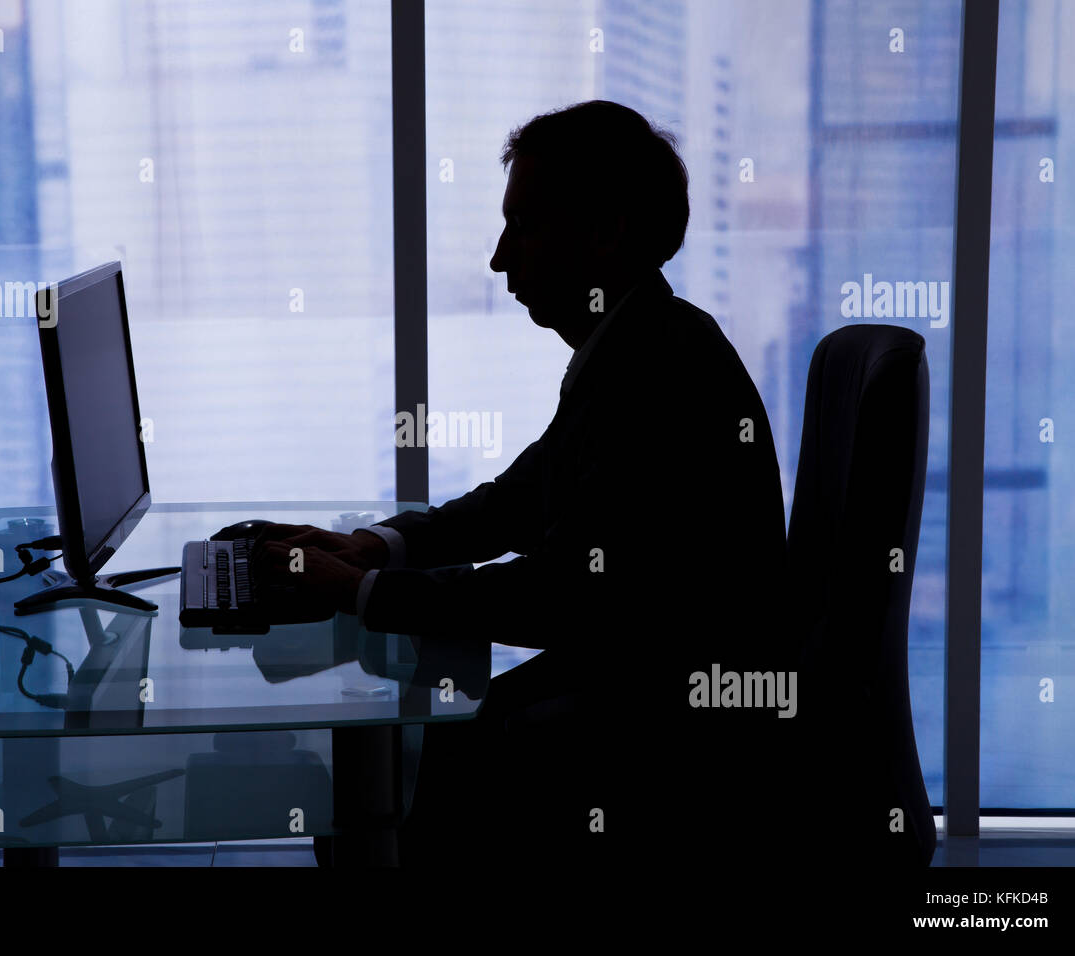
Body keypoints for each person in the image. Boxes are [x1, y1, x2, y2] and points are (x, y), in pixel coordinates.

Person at [251, 100, 793, 867]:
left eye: (525, 226)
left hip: (678, 722)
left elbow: (561, 594)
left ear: (605, 233)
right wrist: (371, 547)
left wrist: (356, 593)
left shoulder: (655, 372)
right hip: (658, 677)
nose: (501, 259)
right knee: (444, 742)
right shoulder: (641, 340)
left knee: (444, 759)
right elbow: (519, 499)